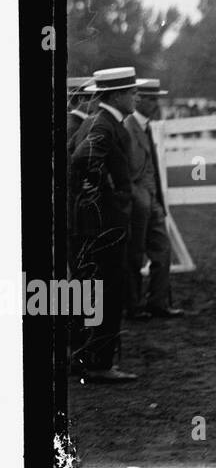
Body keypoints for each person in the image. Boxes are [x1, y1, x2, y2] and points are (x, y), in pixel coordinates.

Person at [68, 67, 143, 382]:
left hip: (89, 225)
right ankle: (100, 365)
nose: (136, 97)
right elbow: (83, 160)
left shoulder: (94, 122)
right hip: (105, 226)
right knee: (108, 292)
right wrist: (106, 197)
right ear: (117, 95)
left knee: (89, 291)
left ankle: (85, 357)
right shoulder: (106, 125)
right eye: (132, 92)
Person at [124, 79, 184, 321]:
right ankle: (134, 305)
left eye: (156, 98)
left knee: (162, 250)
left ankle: (157, 303)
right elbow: (129, 171)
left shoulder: (146, 127)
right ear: (137, 99)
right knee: (134, 255)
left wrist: (156, 200)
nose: (155, 103)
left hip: (153, 202)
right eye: (150, 98)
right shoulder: (128, 128)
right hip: (138, 203)